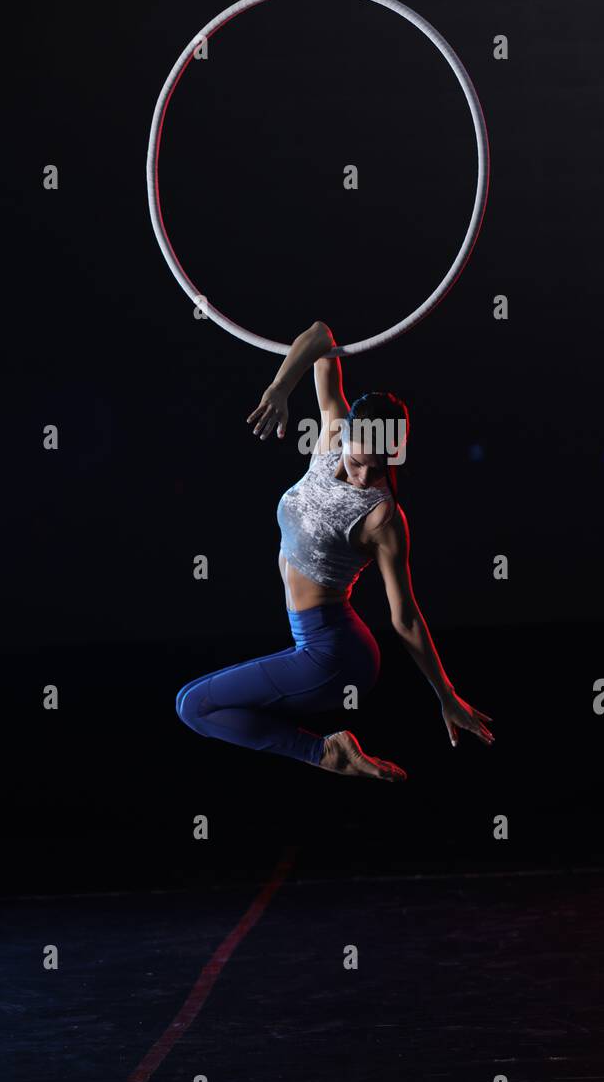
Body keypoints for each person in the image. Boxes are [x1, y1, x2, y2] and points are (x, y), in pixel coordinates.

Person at [175, 321, 493, 778]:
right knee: (192, 704)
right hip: (317, 641)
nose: (366, 477)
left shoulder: (384, 518)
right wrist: (280, 388)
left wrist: (445, 694)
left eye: (380, 467)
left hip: (334, 655)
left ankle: (327, 753)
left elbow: (404, 617)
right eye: (359, 461)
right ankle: (328, 752)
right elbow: (321, 337)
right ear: (344, 437)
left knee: (194, 706)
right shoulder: (329, 437)